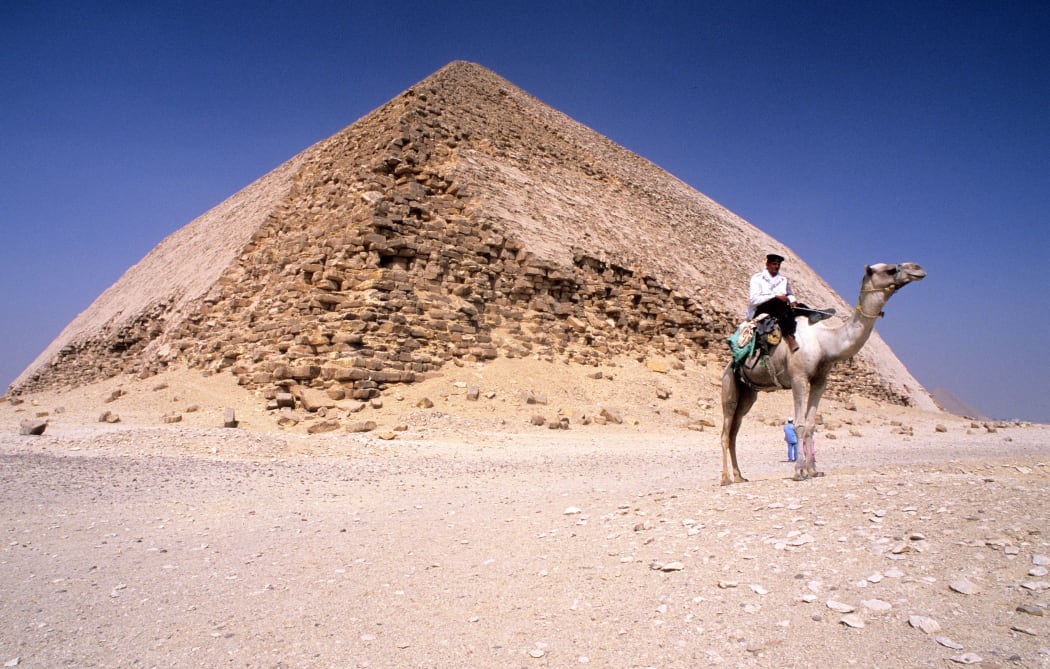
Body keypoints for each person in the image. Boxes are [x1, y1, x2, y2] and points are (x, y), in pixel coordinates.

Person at [747, 253, 799, 352]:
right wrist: (775, 296)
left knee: (799, 306)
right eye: (774, 264)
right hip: (761, 308)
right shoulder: (757, 278)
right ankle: (789, 336)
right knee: (778, 302)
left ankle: (814, 314)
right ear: (767, 265)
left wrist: (792, 300)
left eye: (778, 264)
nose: (777, 266)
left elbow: (789, 293)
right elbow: (753, 300)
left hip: (780, 307)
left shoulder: (783, 280)